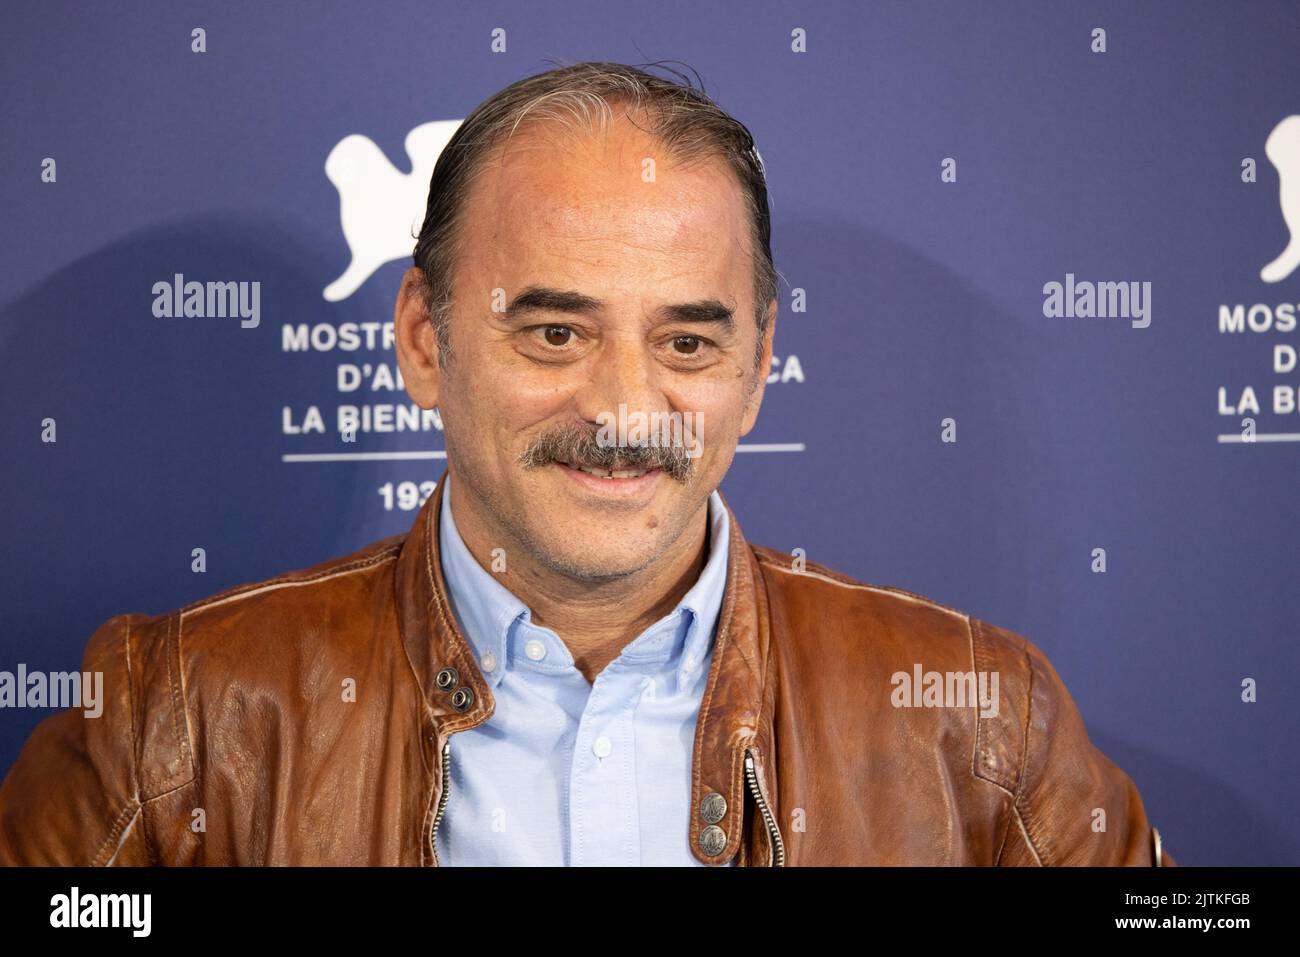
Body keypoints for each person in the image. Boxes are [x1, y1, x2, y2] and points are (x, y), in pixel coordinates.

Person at [0, 61, 1172, 866]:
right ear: (423, 341)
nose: (622, 409)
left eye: (686, 341)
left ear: (758, 367)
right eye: (554, 332)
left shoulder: (984, 726)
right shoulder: (172, 726)